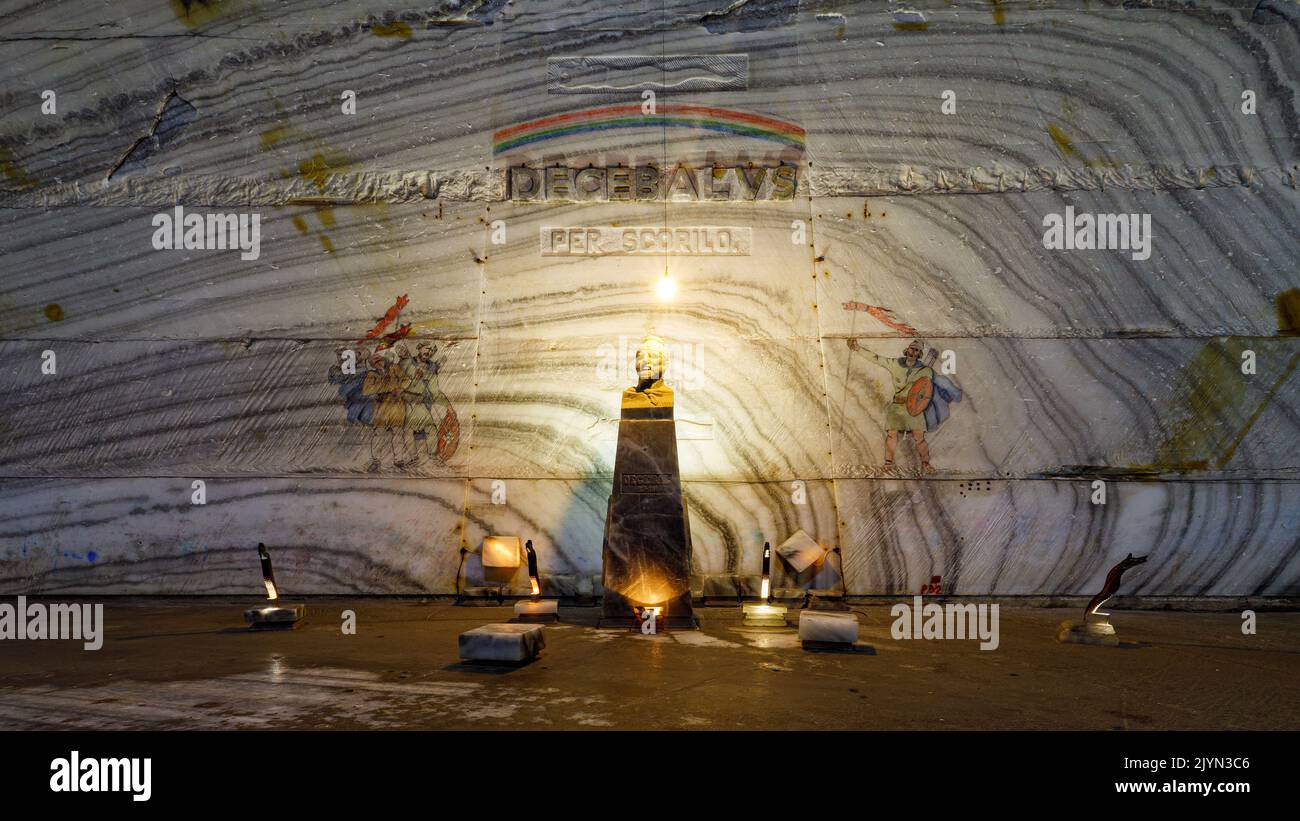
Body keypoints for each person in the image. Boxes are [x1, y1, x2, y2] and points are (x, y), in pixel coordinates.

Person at [847, 337, 936, 475]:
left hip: (914, 409)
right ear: (907, 350)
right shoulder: (895, 364)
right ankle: (888, 464)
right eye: (912, 349)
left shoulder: (926, 371)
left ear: (919, 354)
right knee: (892, 435)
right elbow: (876, 358)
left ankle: (926, 464)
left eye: (917, 351)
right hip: (898, 406)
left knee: (919, 437)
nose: (914, 352)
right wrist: (857, 348)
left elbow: (925, 391)